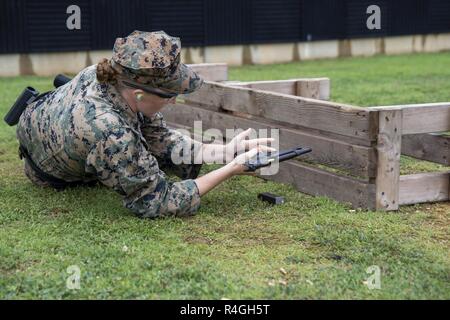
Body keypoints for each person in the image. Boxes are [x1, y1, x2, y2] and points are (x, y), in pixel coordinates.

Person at [16, 30, 274, 218]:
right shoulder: (109, 131)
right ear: (140, 94)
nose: (173, 101)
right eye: (169, 95)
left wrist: (224, 151)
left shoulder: (115, 76)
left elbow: (159, 139)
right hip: (45, 170)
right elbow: (157, 200)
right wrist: (230, 169)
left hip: (43, 120)